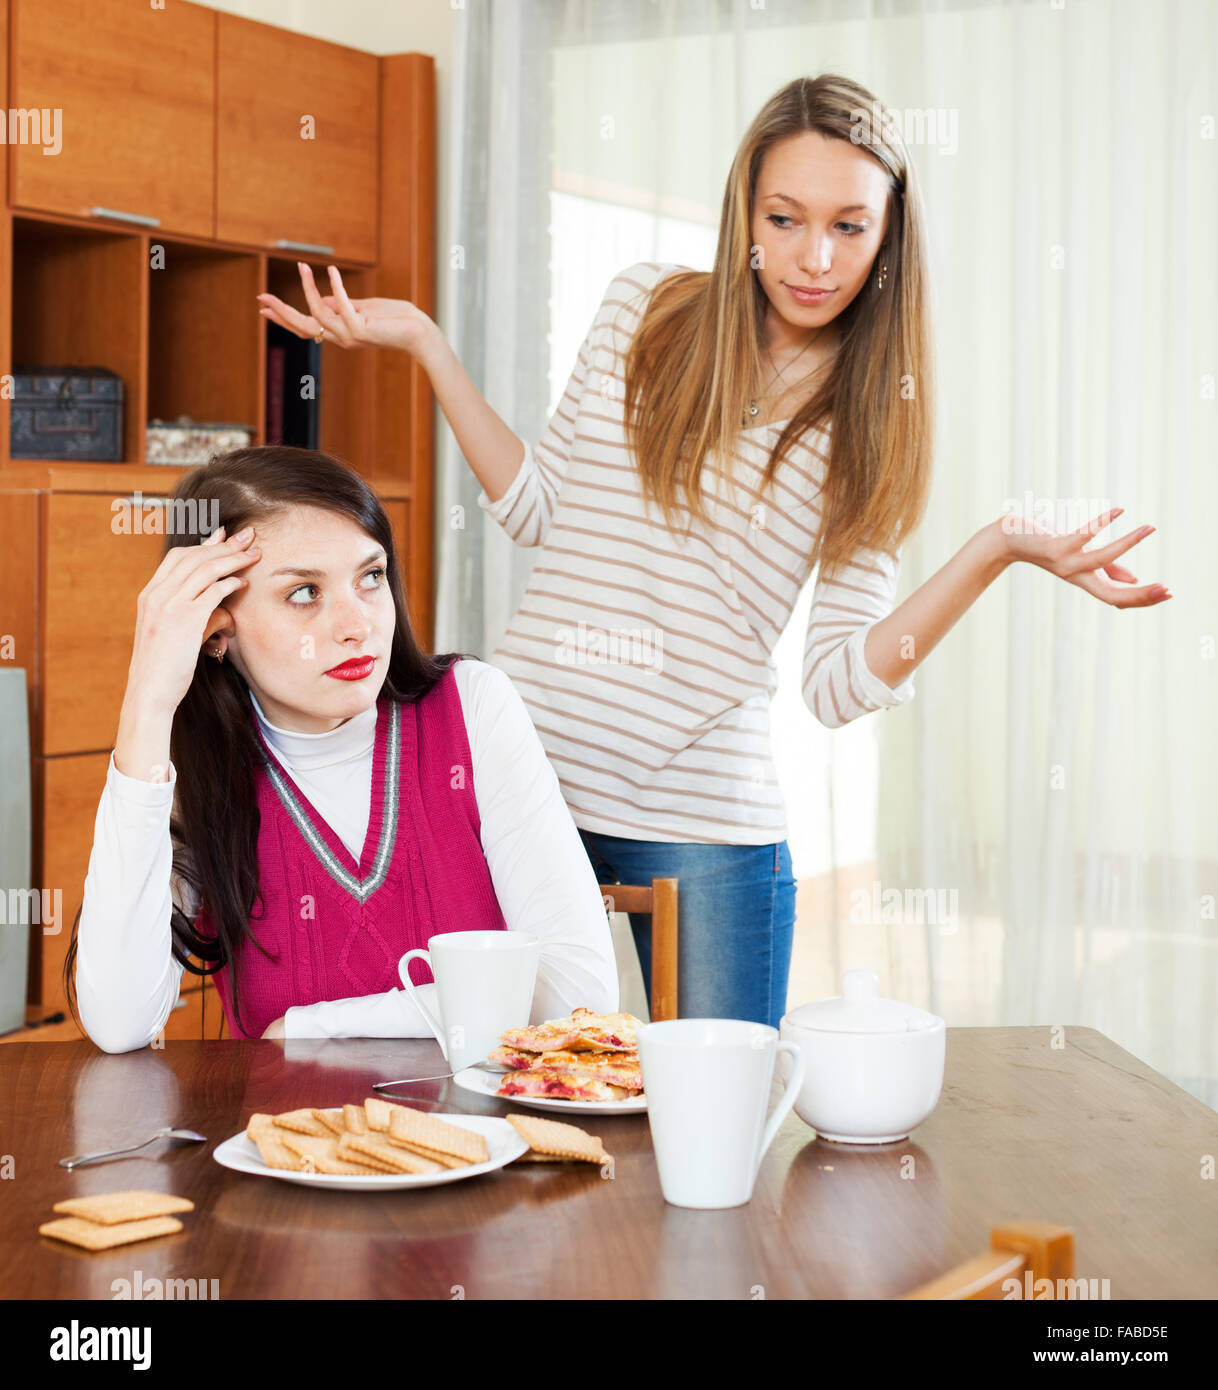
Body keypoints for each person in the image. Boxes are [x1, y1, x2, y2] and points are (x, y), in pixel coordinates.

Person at [257, 73, 1168, 1031]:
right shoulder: (642, 311)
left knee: (712, 1134)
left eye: (851, 227)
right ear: (747, 214)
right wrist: (431, 348)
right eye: (785, 218)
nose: (814, 257)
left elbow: (837, 685)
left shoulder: (874, 424)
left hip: (704, 824)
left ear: (890, 234)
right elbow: (538, 507)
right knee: (496, 1092)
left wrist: (995, 550)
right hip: (522, 782)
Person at [65, 447, 618, 1053]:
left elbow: (578, 990)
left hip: (485, 1137)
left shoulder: (473, 707)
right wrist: (147, 704)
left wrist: (312, 1027)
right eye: (304, 592)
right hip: (279, 1148)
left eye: (371, 577)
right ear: (216, 626)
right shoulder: (188, 765)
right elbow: (119, 1025)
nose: (356, 624)